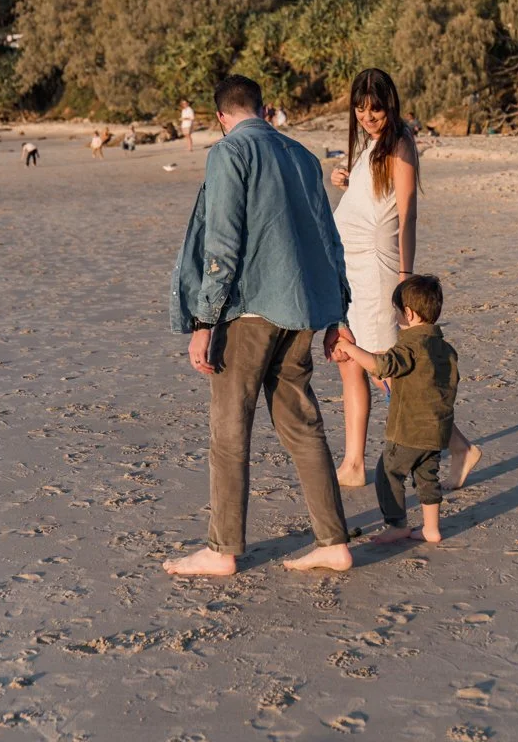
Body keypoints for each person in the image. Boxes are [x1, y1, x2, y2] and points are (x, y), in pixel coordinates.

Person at [165, 74, 353, 579]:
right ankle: (333, 541)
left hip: (248, 313)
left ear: (221, 116)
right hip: (303, 311)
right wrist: (339, 314)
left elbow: (222, 247)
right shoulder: (302, 157)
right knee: (302, 423)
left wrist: (204, 321)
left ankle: (222, 549)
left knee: (229, 430)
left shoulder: (229, 153)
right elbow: (329, 239)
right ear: (265, 108)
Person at [328, 68, 481, 491]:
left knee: (390, 372)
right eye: (360, 109)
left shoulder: (400, 145)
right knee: (349, 360)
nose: (367, 116)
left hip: (380, 269)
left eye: (374, 108)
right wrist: (345, 180)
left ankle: (460, 446)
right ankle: (354, 462)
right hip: (352, 267)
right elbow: (369, 199)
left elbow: (407, 213)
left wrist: (404, 277)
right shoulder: (370, 145)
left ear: (388, 105)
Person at [333, 275, 456, 544]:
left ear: (409, 313)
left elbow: (382, 366)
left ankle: (397, 524)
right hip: (437, 429)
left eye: (399, 312)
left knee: (388, 473)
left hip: (408, 429)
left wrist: (351, 349)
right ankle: (431, 528)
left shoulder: (410, 345)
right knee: (427, 477)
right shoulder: (446, 348)